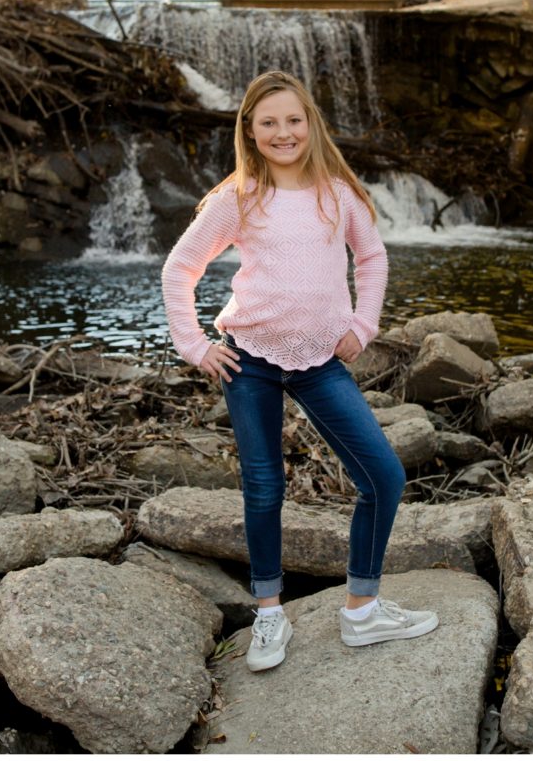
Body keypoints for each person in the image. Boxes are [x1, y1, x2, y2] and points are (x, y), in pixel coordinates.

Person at [161, 69, 437, 672]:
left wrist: (362, 327)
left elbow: (372, 256)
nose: (283, 132)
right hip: (250, 360)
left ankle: (361, 608)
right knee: (264, 487)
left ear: (310, 124)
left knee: (383, 476)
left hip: (320, 360)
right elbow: (178, 269)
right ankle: (269, 615)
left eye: (293, 120)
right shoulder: (235, 198)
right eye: (268, 123)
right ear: (250, 131)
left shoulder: (338, 192)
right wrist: (197, 345)